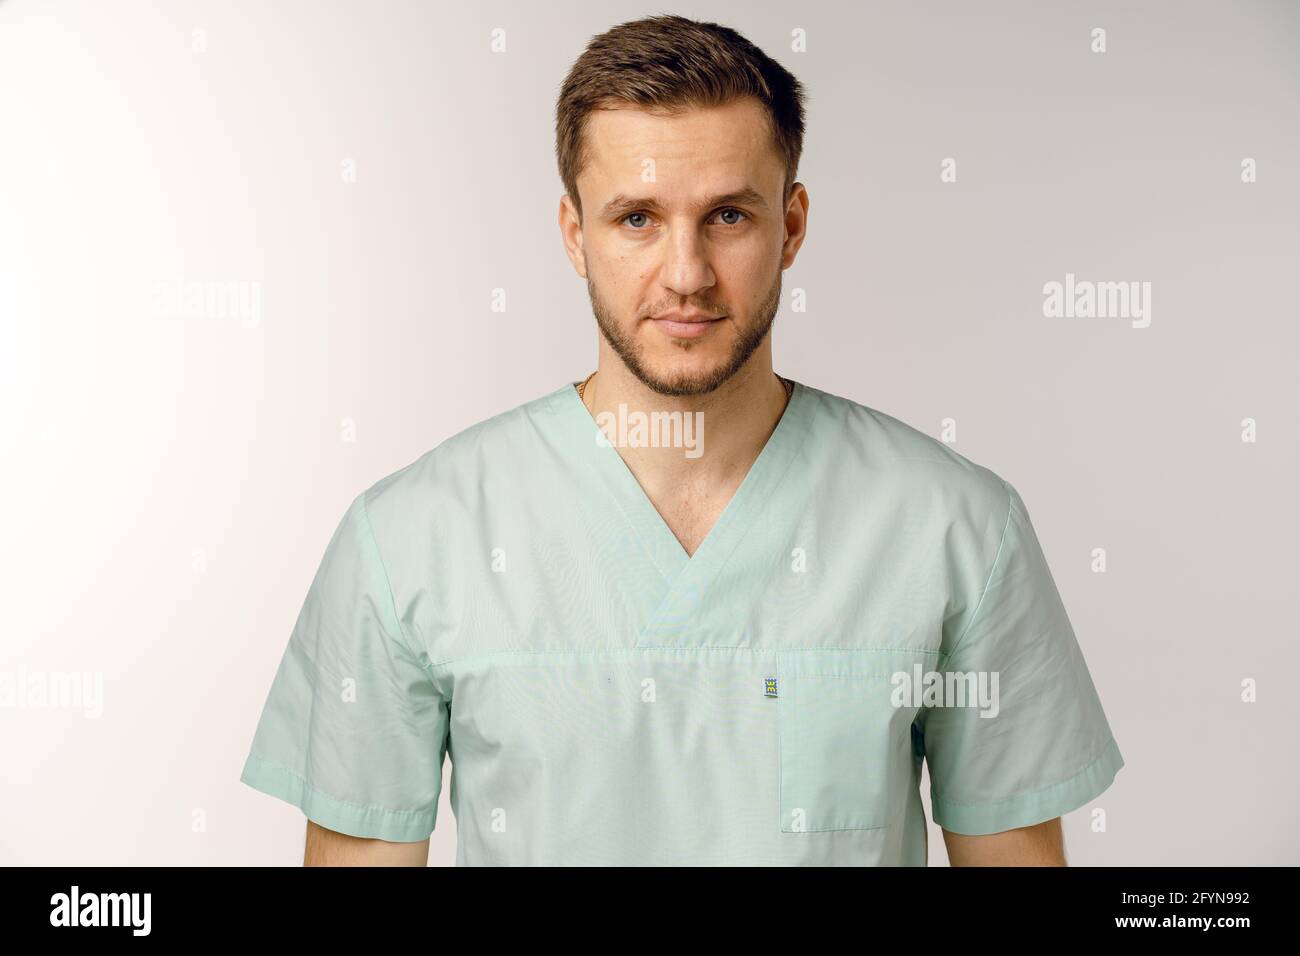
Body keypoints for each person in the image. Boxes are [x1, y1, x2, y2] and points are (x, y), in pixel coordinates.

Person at [239, 13, 1123, 866]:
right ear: (574, 236)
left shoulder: (957, 529)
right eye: (637, 219)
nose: (687, 274)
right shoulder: (411, 540)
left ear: (793, 227)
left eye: (729, 216)